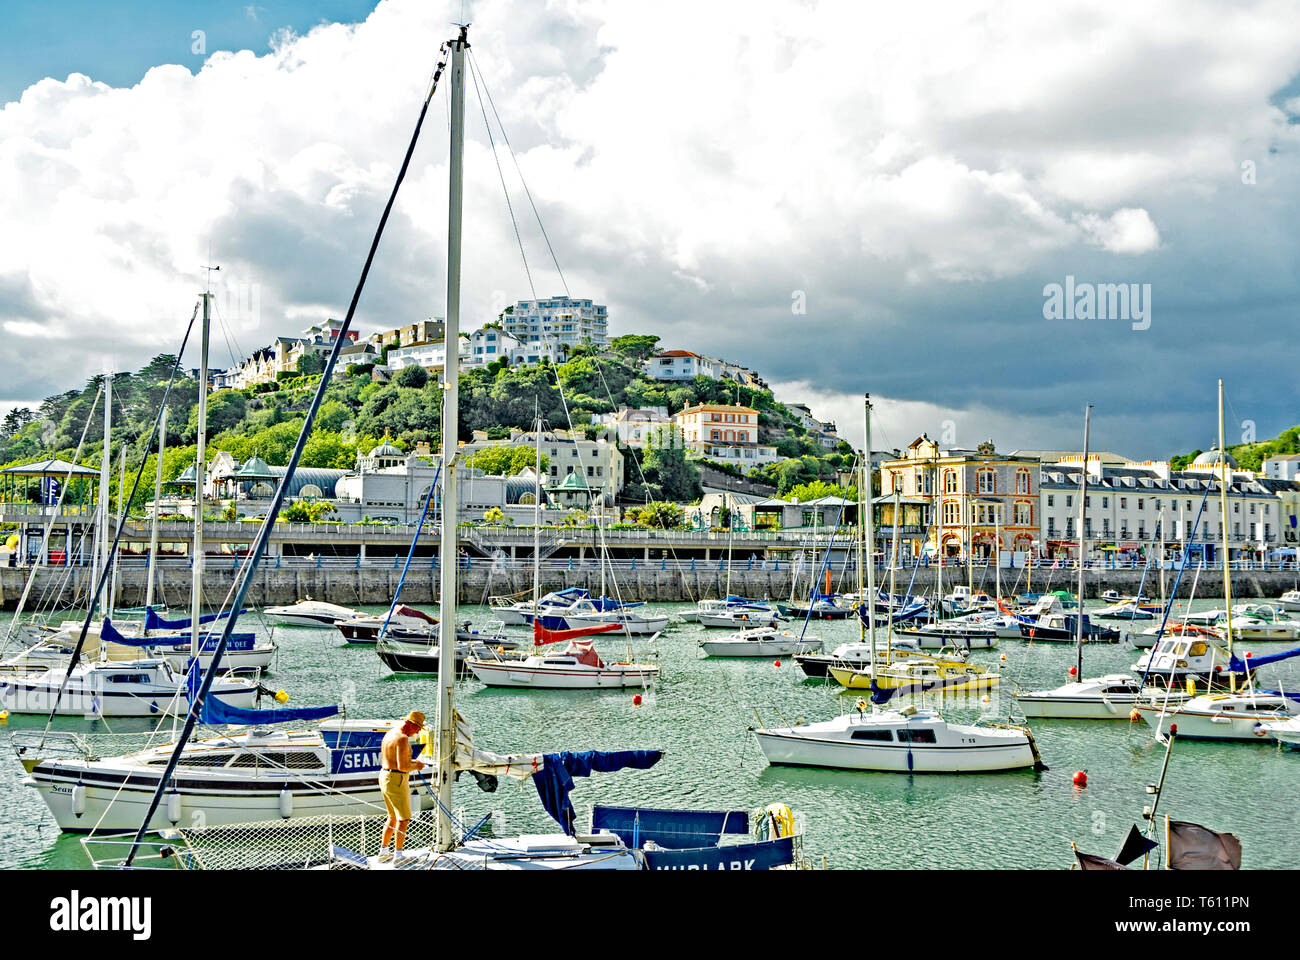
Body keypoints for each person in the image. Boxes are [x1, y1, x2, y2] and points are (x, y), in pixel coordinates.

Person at [378, 710, 427, 862]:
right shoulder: (402, 739)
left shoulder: (390, 733)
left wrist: (411, 764)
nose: (418, 731)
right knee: (404, 819)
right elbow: (403, 766)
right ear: (410, 724)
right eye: (418, 727)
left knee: (392, 817)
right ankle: (398, 856)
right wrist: (417, 765)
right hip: (395, 779)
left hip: (384, 776)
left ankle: (383, 852)